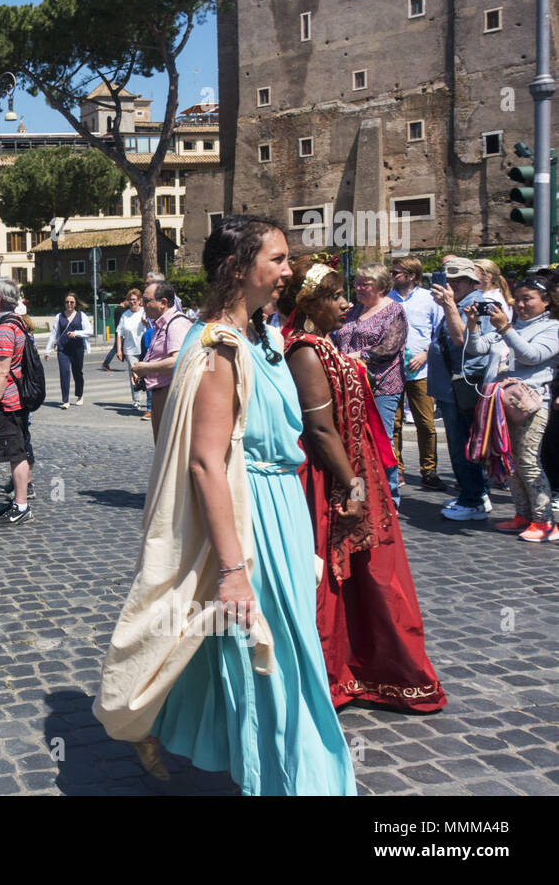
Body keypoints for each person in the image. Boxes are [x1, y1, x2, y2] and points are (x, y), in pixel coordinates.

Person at [94, 215, 356, 796]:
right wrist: (235, 571)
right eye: (279, 259)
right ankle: (298, 782)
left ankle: (168, 722)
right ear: (240, 269)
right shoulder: (219, 347)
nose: (290, 271)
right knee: (277, 656)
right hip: (251, 513)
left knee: (262, 648)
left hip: (281, 506)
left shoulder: (263, 336)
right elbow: (206, 463)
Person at [279, 258, 447, 713]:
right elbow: (320, 430)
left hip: (356, 470)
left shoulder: (324, 344)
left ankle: (370, 669)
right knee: (333, 576)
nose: (345, 303)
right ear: (311, 303)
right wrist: (351, 486)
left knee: (372, 574)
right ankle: (332, 672)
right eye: (335, 297)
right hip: (332, 477)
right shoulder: (305, 350)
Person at [464, 272, 559, 540]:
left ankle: (545, 522)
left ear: (546, 302)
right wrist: (473, 325)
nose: (520, 304)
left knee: (528, 461)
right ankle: (523, 515)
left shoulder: (553, 327)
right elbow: (477, 348)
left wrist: (506, 328)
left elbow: (531, 356)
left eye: (527, 299)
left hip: (532, 405)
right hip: (501, 404)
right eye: (517, 299)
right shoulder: (514, 323)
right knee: (512, 461)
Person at [332, 263, 407, 504]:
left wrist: (357, 356)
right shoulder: (353, 311)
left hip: (380, 386)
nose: (359, 288)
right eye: (357, 283)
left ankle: (389, 498)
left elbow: (389, 347)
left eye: (366, 284)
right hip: (348, 384)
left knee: (380, 441)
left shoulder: (394, 311)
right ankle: (358, 496)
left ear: (382, 287)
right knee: (351, 441)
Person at [428, 259, 493, 520]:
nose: (451, 285)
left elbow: (462, 340)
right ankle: (476, 493)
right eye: (449, 281)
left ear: (470, 282)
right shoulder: (461, 303)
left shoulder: (477, 305)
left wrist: (449, 305)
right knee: (461, 441)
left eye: (457, 281)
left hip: (464, 385)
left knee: (461, 444)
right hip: (452, 386)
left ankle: (473, 499)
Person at [0, 276, 34, 527]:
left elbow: (2, 372)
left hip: (8, 402)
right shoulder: (14, 323)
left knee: (16, 453)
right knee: (17, 452)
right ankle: (19, 502)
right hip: (15, 399)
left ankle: (21, 506)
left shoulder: (4, 329)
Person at [389, 257, 445, 489]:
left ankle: (429, 471)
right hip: (392, 369)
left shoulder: (429, 299)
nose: (392, 276)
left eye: (396, 273)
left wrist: (425, 353)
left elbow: (440, 332)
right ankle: (397, 470)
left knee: (425, 423)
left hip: (420, 369)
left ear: (412, 276)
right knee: (395, 422)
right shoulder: (386, 299)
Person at [132, 281, 192, 440]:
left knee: (168, 448)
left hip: (169, 394)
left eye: (146, 301)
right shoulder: (161, 324)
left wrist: (146, 368)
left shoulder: (176, 323)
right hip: (161, 394)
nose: (142, 305)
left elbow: (177, 361)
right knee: (162, 447)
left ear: (163, 302)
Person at [44, 293, 93, 409]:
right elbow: (54, 334)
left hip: (77, 348)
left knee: (77, 372)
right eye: (67, 302)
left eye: (72, 302)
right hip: (63, 349)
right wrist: (47, 350)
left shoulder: (81, 316)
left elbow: (89, 331)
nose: (69, 304)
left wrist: (77, 333)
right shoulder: (59, 316)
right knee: (64, 373)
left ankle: (80, 395)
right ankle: (65, 400)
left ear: (76, 303)